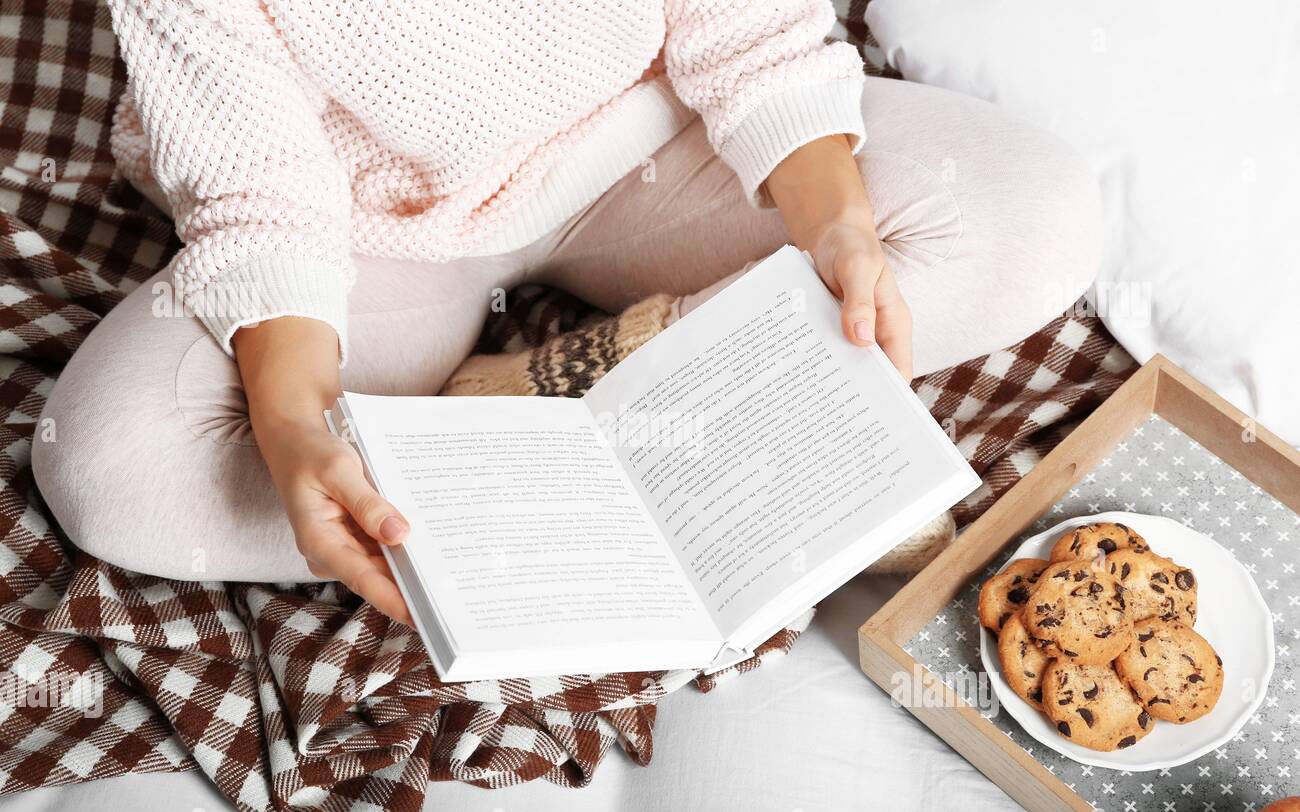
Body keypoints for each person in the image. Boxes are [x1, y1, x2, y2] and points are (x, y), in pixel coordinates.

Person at [34, 1, 1101, 625]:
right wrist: (294, 425)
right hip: (370, 232)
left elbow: (753, 34)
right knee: (112, 468)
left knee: (1038, 212)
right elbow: (259, 199)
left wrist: (836, 230)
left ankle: (549, 401)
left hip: (649, 147)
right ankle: (700, 464)